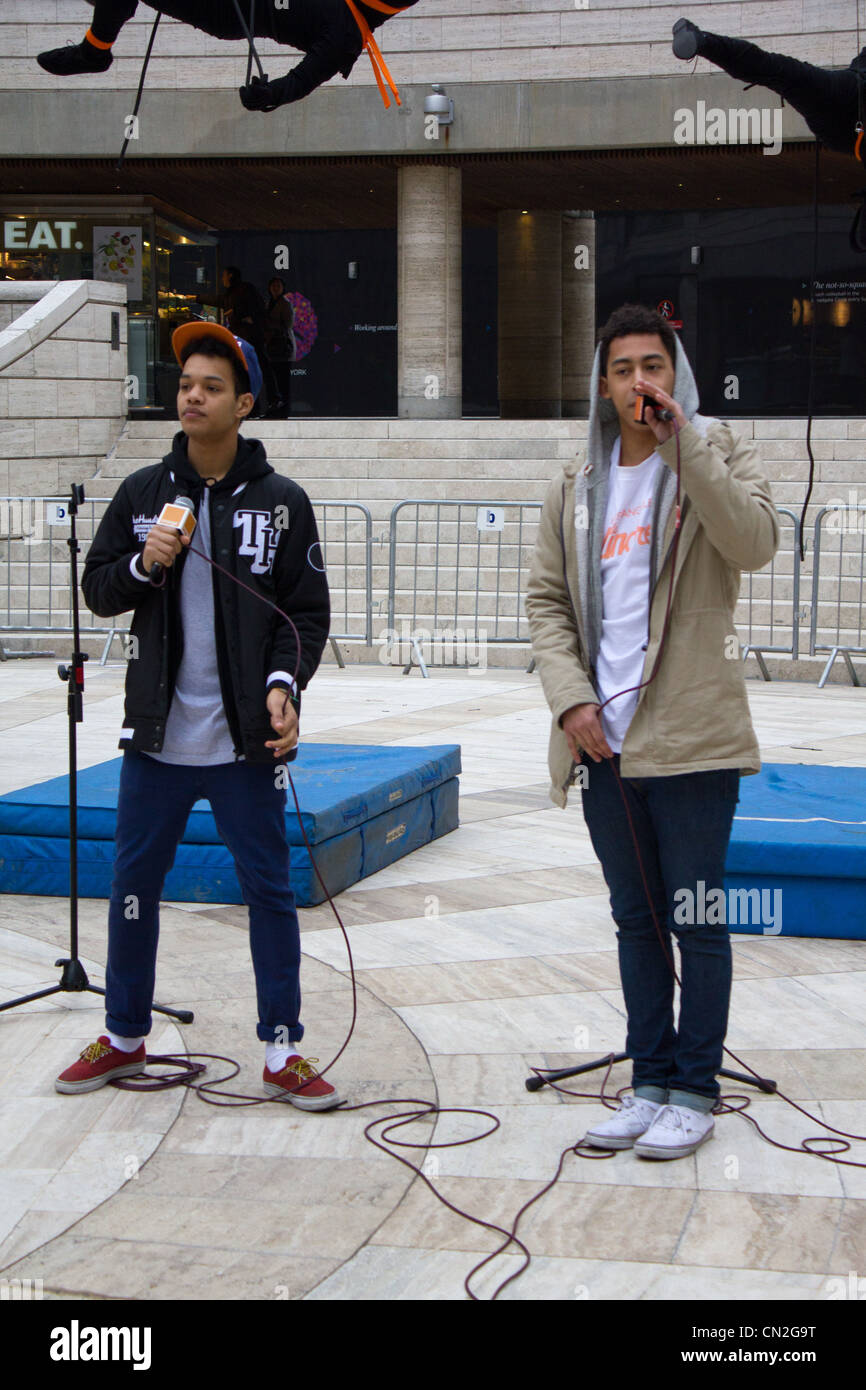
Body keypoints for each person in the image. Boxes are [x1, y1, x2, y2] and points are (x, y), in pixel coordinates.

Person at [55, 322, 340, 1111]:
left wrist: (285, 685)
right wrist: (147, 564)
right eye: (185, 384)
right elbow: (99, 589)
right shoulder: (145, 494)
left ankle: (284, 1049)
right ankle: (122, 1036)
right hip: (156, 741)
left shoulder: (281, 504)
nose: (193, 396)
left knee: (269, 890)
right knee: (132, 886)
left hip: (244, 745)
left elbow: (305, 614)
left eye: (211, 386)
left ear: (243, 403)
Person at [525, 303, 779, 1160]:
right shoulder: (576, 483)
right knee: (636, 920)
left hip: (693, 736)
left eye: (656, 366)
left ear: (677, 377)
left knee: (698, 916)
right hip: (606, 740)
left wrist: (686, 447)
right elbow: (548, 603)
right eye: (625, 367)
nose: (642, 382)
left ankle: (696, 1090)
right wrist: (571, 702)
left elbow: (753, 542)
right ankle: (649, 1079)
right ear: (603, 384)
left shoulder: (715, 452)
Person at [37, 0, 420, 113]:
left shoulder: (347, 33)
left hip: (223, 10)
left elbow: (302, 80)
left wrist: (268, 95)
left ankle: (94, 51)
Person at [672, 17, 866, 157]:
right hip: (850, 102)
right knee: (783, 72)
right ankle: (704, 42)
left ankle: (706, 42)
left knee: (782, 72)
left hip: (844, 119)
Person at [221, 265, 275, 417]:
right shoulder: (234, 293)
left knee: (254, 370)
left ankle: (265, 403)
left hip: (251, 337)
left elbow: (254, 309)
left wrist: (236, 313)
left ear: (230, 276)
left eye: (224, 275)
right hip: (247, 337)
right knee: (251, 371)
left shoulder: (244, 290)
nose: (222, 279)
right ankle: (257, 406)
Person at [264, 276, 296, 419]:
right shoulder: (269, 302)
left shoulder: (285, 303)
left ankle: (284, 411)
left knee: (283, 381)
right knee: (275, 381)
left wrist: (269, 324)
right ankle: (275, 409)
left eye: (278, 286)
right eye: (273, 285)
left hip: (283, 347)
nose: (275, 288)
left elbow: (287, 325)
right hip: (271, 348)